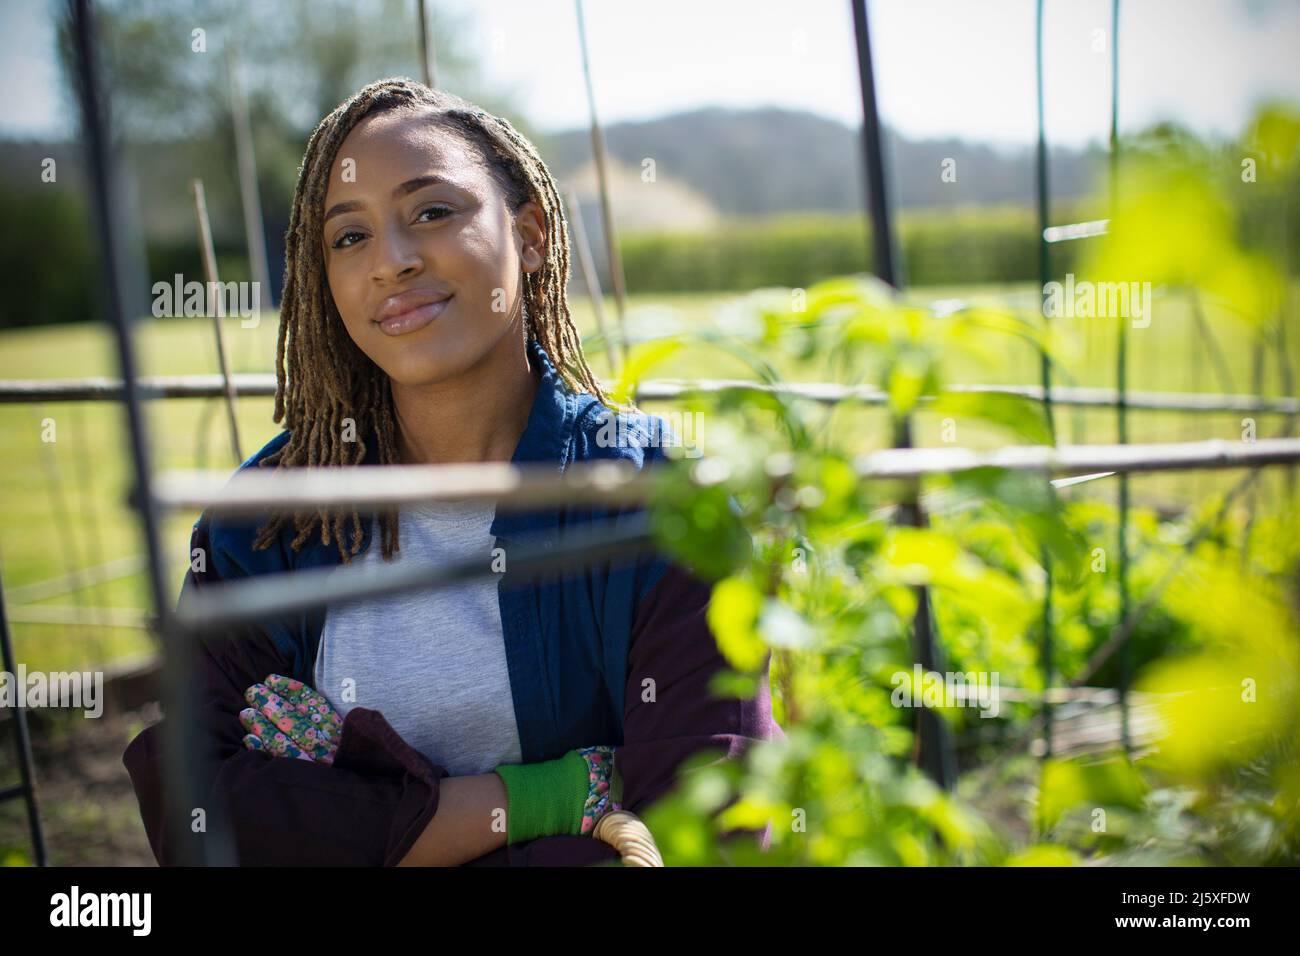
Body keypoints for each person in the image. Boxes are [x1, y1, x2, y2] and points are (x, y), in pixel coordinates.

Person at [122, 77, 783, 866]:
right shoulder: (266, 524)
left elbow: (708, 823)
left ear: (530, 234)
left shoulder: (660, 500)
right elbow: (197, 814)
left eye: (433, 212)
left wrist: (346, 810)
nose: (390, 263)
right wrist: (546, 800)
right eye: (348, 237)